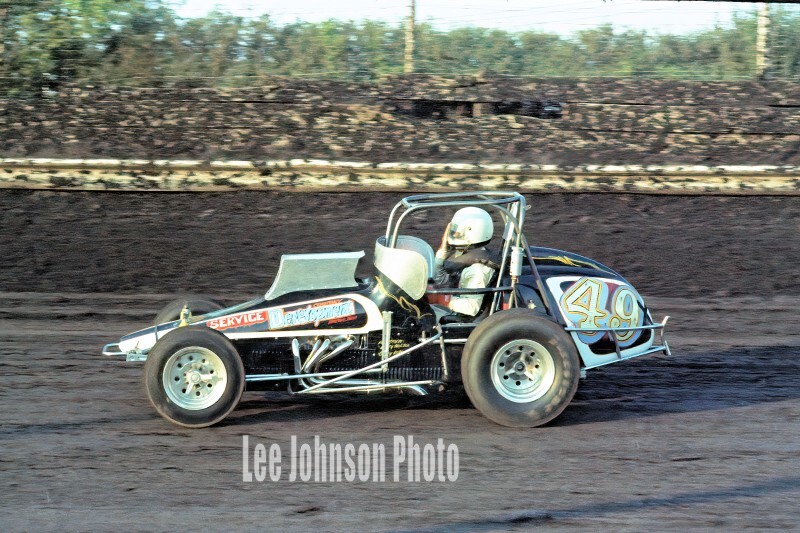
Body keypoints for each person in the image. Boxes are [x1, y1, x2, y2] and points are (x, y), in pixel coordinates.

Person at [431, 207, 499, 317]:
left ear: (473, 232)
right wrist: (441, 254)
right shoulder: (467, 257)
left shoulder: (477, 269)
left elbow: (472, 308)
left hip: (463, 320)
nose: (453, 234)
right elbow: (441, 281)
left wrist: (443, 300)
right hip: (454, 311)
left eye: (457, 232)